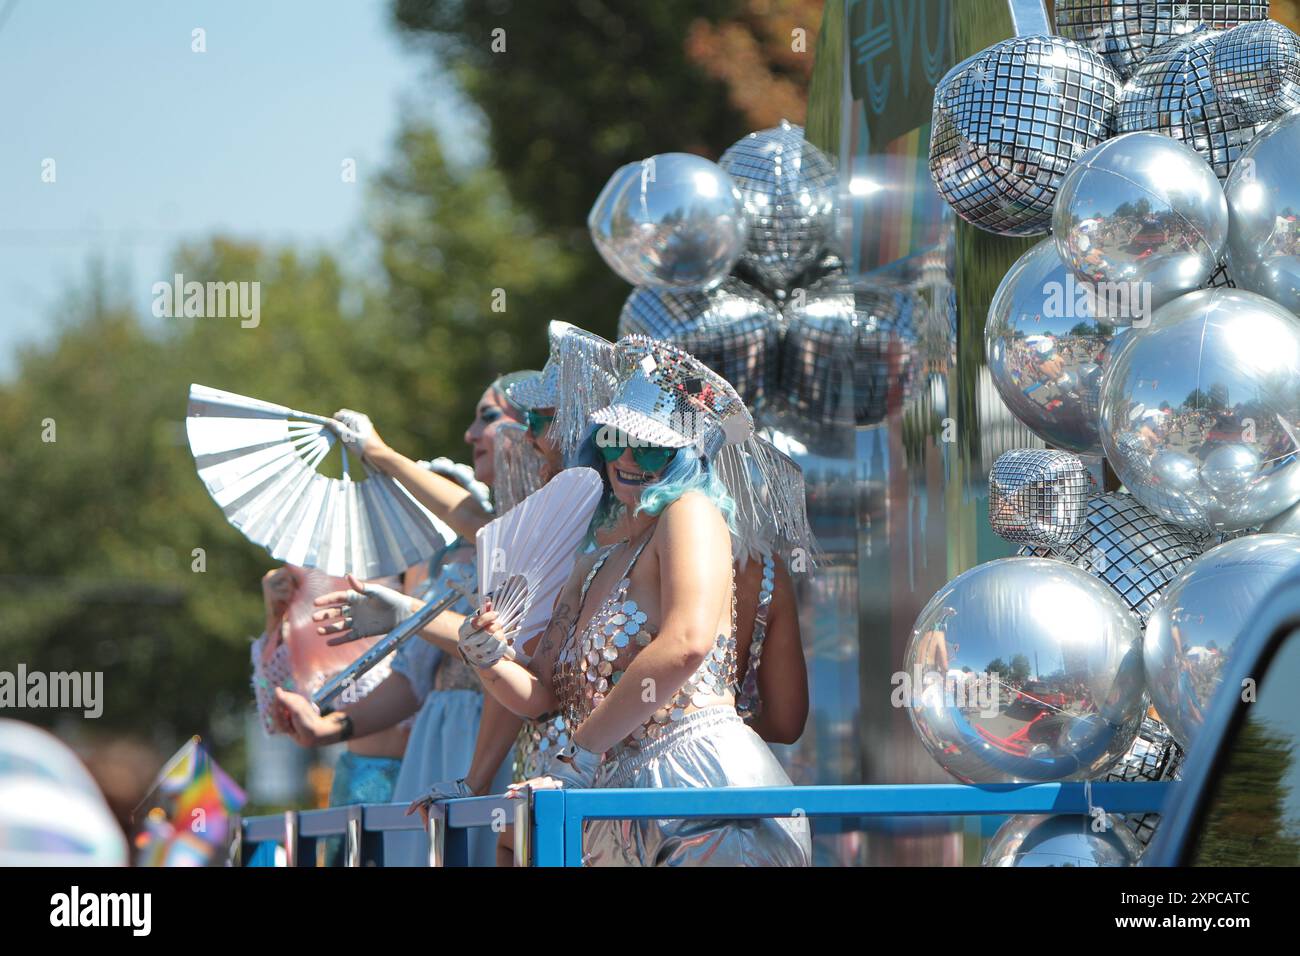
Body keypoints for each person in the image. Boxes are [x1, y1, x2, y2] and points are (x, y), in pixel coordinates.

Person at [457, 337, 811, 866]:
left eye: (647, 446)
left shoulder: (691, 510)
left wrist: (575, 759)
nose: (623, 456)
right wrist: (486, 656)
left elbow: (688, 643)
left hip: (702, 791)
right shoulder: (596, 560)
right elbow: (543, 696)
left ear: (689, 456)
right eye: (613, 436)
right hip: (620, 799)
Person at [275, 372, 533, 866]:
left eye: (489, 416)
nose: (470, 433)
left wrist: (380, 453)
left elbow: (511, 657)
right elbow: (415, 684)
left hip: (499, 755)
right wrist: (327, 729)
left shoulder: (539, 538)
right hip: (433, 753)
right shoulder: (465, 559)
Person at [251, 564, 408, 865]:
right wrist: (277, 618)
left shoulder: (446, 563)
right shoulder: (329, 576)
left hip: (444, 776)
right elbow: (277, 715)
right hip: (365, 785)